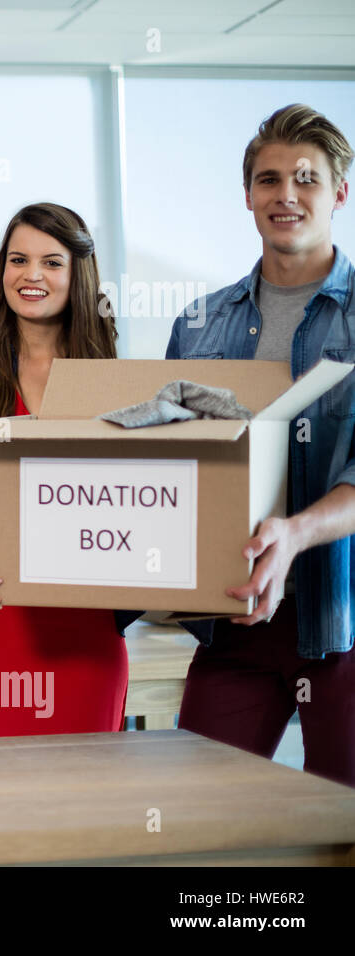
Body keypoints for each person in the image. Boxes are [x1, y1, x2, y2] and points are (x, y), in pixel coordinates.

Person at [165, 104, 355, 787]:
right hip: (235, 618)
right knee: (201, 819)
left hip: (344, 619)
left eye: (306, 178)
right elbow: (176, 463)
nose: (285, 195)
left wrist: (297, 533)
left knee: (344, 825)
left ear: (338, 190)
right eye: (269, 179)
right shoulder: (200, 323)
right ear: (247, 195)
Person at [0, 202, 138, 738]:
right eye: (18, 260)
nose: (32, 275)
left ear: (78, 274)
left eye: (52, 261)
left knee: (86, 797)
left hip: (85, 618)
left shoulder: (115, 378)